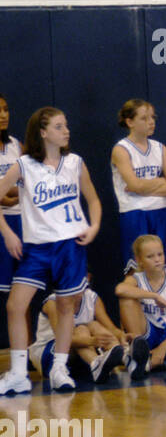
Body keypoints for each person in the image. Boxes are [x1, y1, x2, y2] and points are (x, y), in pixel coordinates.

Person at [0, 107, 101, 396]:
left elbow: (93, 199)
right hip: (36, 247)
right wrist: (7, 232)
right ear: (43, 132)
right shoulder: (23, 165)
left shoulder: (75, 163)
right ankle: (19, 373)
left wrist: (93, 227)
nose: (66, 130)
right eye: (59, 126)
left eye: (66, 125)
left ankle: (59, 367)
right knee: (15, 306)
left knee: (66, 307)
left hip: (70, 245)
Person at [110, 99, 166, 273]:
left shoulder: (160, 148)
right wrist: (161, 181)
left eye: (152, 117)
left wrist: (144, 186)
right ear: (130, 122)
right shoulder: (121, 149)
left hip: (161, 212)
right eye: (144, 118)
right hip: (135, 213)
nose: (151, 122)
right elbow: (134, 184)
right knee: (137, 271)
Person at [116, 234, 166, 379]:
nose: (157, 259)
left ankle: (152, 363)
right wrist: (154, 296)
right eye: (150, 256)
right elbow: (120, 290)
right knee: (127, 298)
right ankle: (138, 352)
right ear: (139, 260)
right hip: (148, 333)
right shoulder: (135, 279)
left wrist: (163, 348)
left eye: (160, 254)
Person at [29, 284, 129, 387]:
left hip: (79, 357)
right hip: (49, 353)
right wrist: (92, 341)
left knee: (94, 325)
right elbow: (62, 339)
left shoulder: (91, 297)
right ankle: (96, 363)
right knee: (81, 330)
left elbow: (111, 328)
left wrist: (122, 335)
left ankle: (126, 357)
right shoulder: (53, 302)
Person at [0, 94, 20, 299]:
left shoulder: (15, 144)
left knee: (21, 288)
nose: (3, 115)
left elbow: (27, 183)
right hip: (1, 222)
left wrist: (11, 195)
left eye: (6, 109)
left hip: (20, 219)